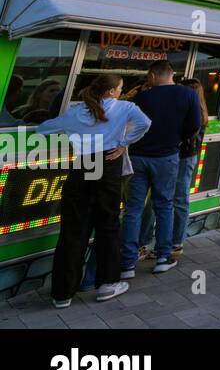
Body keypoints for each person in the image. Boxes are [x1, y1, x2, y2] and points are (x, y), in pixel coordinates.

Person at [37, 74, 150, 307]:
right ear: (110, 91)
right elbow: (145, 123)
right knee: (107, 224)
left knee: (73, 229)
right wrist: (124, 143)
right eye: (119, 88)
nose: (120, 92)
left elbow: (43, 129)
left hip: (83, 164)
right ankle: (107, 284)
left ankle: (62, 294)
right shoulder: (125, 107)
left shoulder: (76, 112)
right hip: (108, 163)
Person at [120, 61, 202, 277]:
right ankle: (164, 257)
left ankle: (127, 263)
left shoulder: (142, 97)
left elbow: (128, 124)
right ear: (171, 74)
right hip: (167, 157)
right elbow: (194, 125)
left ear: (153, 75)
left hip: (138, 157)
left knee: (133, 208)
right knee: (164, 206)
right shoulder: (187, 95)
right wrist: (175, 138)